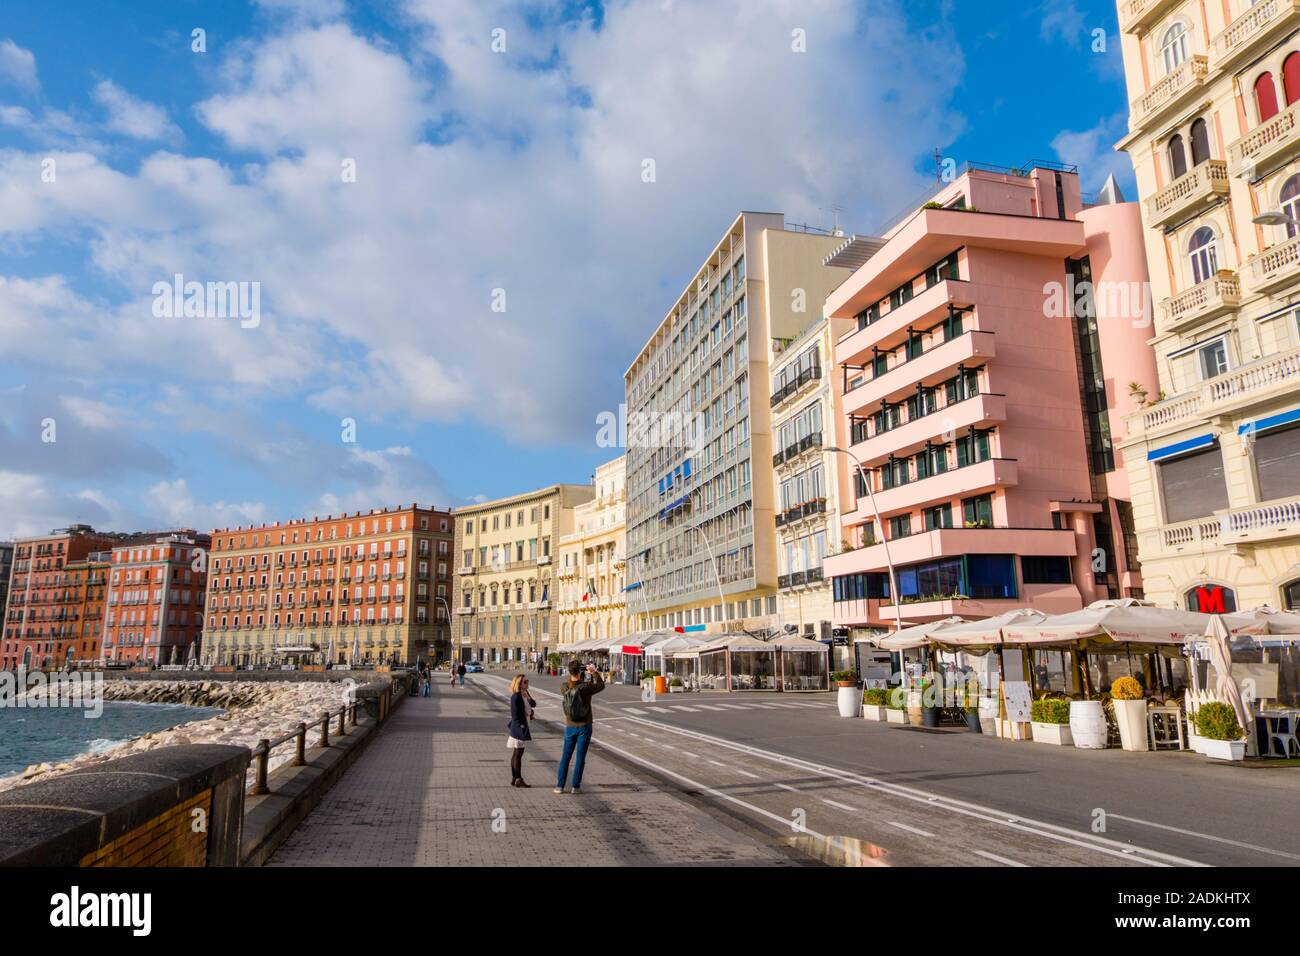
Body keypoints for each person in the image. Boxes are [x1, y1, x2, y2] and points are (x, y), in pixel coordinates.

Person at [555, 659, 604, 795]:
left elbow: (570, 685)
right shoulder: (585, 687)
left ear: (569, 671)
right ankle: (575, 786)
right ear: (581, 671)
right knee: (580, 757)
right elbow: (601, 685)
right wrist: (594, 673)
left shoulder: (564, 687)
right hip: (584, 725)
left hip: (570, 725)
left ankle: (559, 785)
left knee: (565, 756)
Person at [506, 675, 536, 787]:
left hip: (522, 725)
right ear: (519, 684)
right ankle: (518, 778)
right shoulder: (516, 697)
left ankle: (515, 778)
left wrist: (527, 697)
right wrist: (521, 727)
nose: (527, 683)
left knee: (516, 753)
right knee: (518, 753)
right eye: (525, 682)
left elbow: (533, 704)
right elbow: (515, 715)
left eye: (527, 681)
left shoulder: (524, 693)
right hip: (519, 727)